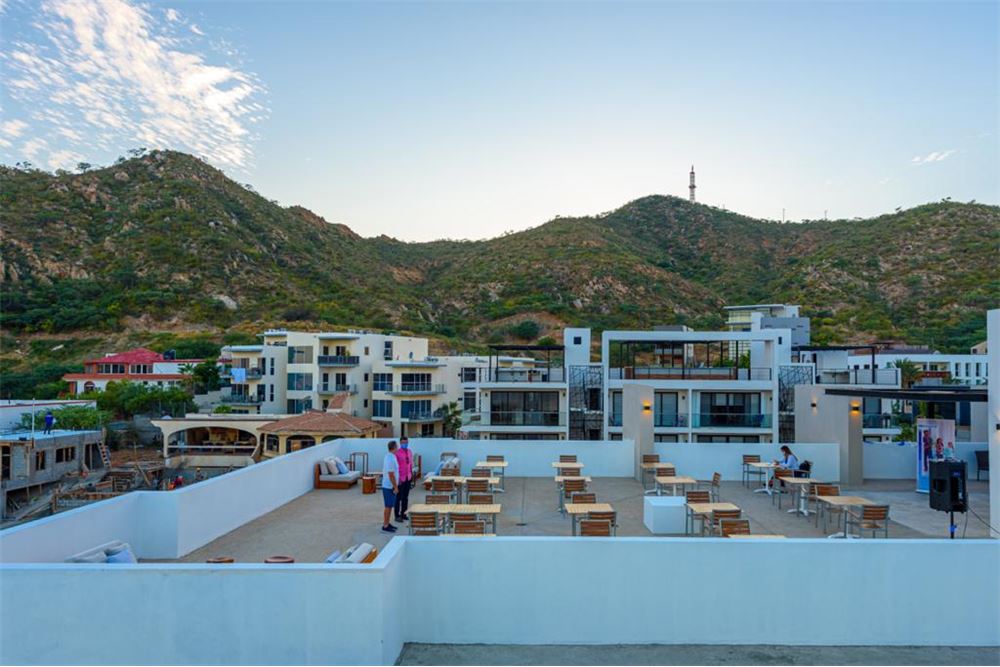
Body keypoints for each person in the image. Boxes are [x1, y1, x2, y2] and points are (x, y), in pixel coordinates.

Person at [381, 441, 400, 533]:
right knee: (388, 506)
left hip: (390, 485)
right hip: (389, 486)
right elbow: (391, 474)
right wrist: (395, 487)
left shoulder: (391, 456)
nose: (398, 448)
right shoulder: (390, 458)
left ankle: (387, 523)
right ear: (394, 447)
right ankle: (385, 525)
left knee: (390, 505)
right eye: (397, 446)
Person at [394, 436, 414, 522]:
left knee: (405, 497)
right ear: (400, 443)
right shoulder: (397, 453)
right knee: (398, 497)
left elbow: (410, 464)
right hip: (400, 478)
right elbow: (395, 467)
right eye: (403, 443)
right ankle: (397, 515)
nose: (404, 444)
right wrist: (397, 479)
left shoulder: (409, 452)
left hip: (408, 477)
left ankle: (404, 513)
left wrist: (411, 475)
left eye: (406, 442)